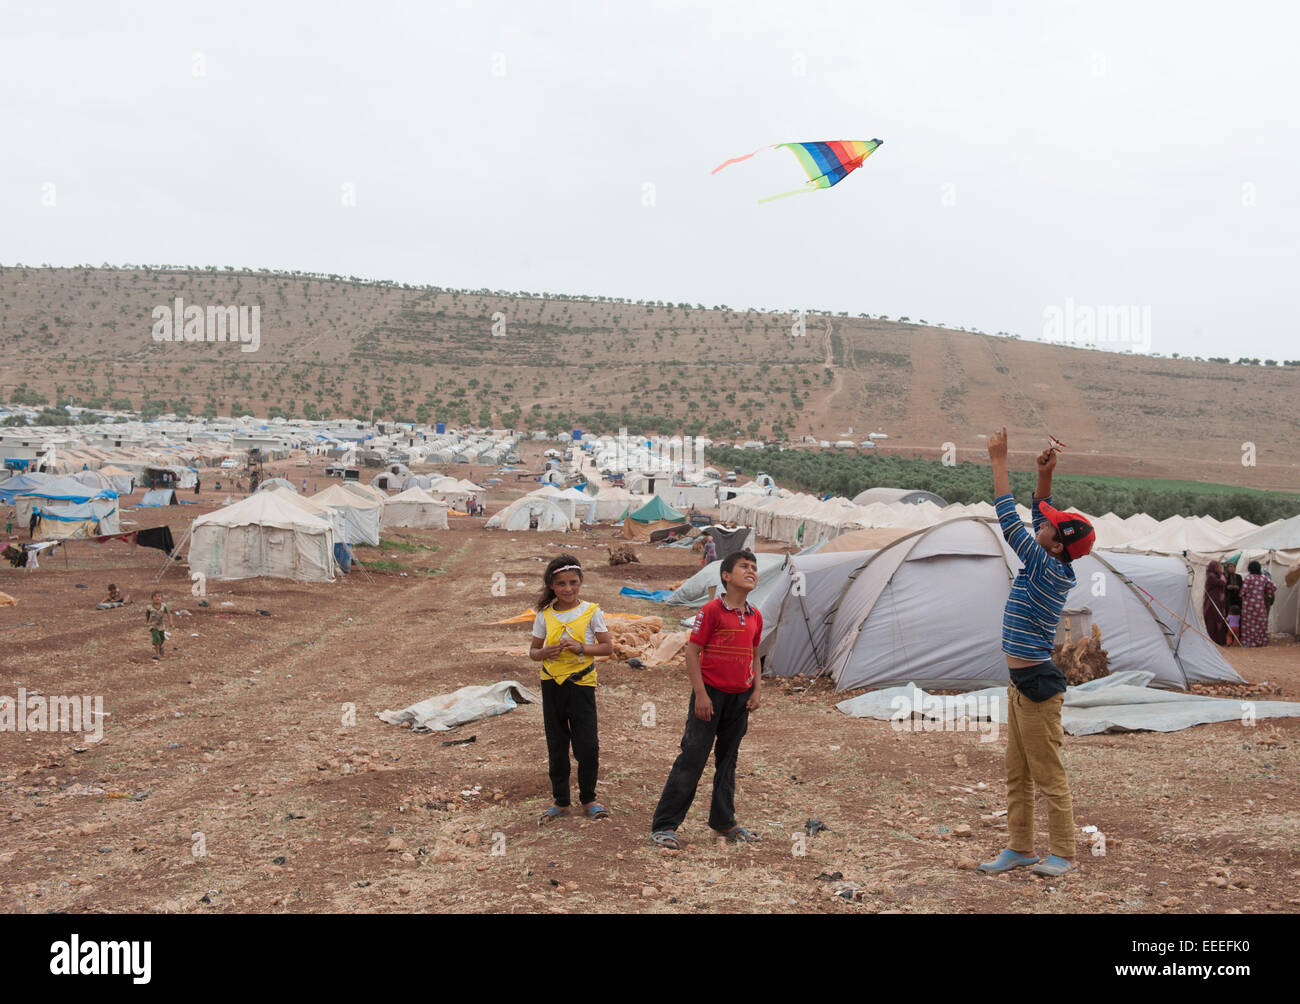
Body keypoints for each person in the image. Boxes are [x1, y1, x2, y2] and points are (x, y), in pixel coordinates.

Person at [978, 429, 1094, 879]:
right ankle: (1020, 848)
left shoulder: (1045, 567)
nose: (1037, 525)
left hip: (1037, 690)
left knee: (1047, 774)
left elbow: (1009, 520)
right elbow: (1033, 514)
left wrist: (999, 460)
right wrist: (1045, 476)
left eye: (1045, 527)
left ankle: (1062, 852)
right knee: (1017, 773)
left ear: (1056, 545)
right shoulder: (1050, 558)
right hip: (1021, 687)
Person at [650, 549, 763, 850]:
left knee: (728, 761)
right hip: (710, 695)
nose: (751, 571)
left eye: (754, 567)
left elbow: (754, 654)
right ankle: (665, 824)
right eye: (744, 566)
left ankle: (724, 821)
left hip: (740, 699)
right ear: (726, 576)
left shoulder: (755, 615)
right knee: (693, 757)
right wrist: (700, 694)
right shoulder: (712, 610)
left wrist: (757, 689)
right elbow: (692, 651)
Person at [529, 555, 613, 823]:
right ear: (552, 586)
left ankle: (589, 798)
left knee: (587, 745)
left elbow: (607, 647)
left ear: (581, 582)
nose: (568, 589)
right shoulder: (545, 614)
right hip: (552, 684)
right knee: (556, 743)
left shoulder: (591, 612)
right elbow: (533, 652)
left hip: (581, 684)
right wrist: (544, 652)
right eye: (561, 584)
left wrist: (580, 648)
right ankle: (561, 802)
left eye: (573, 583)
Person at [1239, 561, 1276, 648]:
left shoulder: (1248, 578)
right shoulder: (1264, 578)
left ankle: (1249, 642)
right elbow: (1273, 587)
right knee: (1260, 623)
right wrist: (1268, 596)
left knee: (1248, 624)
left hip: (1248, 605)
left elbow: (1243, 592)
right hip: (1260, 604)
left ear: (1249, 568)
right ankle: (1260, 641)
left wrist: (1243, 595)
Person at [1202, 560, 1229, 645]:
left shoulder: (1218, 575)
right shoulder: (1211, 576)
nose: (1220, 568)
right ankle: (1213, 640)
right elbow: (1222, 582)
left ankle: (1220, 640)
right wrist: (1222, 575)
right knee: (1213, 622)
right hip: (1212, 604)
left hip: (1219, 603)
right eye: (1218, 566)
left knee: (1220, 620)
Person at [146, 591, 175, 661]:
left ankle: (160, 647)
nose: (157, 598)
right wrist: (148, 623)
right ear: (152, 598)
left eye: (159, 596)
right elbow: (147, 615)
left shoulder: (164, 606)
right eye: (155, 596)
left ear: (161, 598)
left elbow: (169, 614)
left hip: (161, 625)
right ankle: (157, 654)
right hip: (153, 625)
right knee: (156, 637)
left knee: (162, 638)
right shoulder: (149, 607)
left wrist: (171, 622)